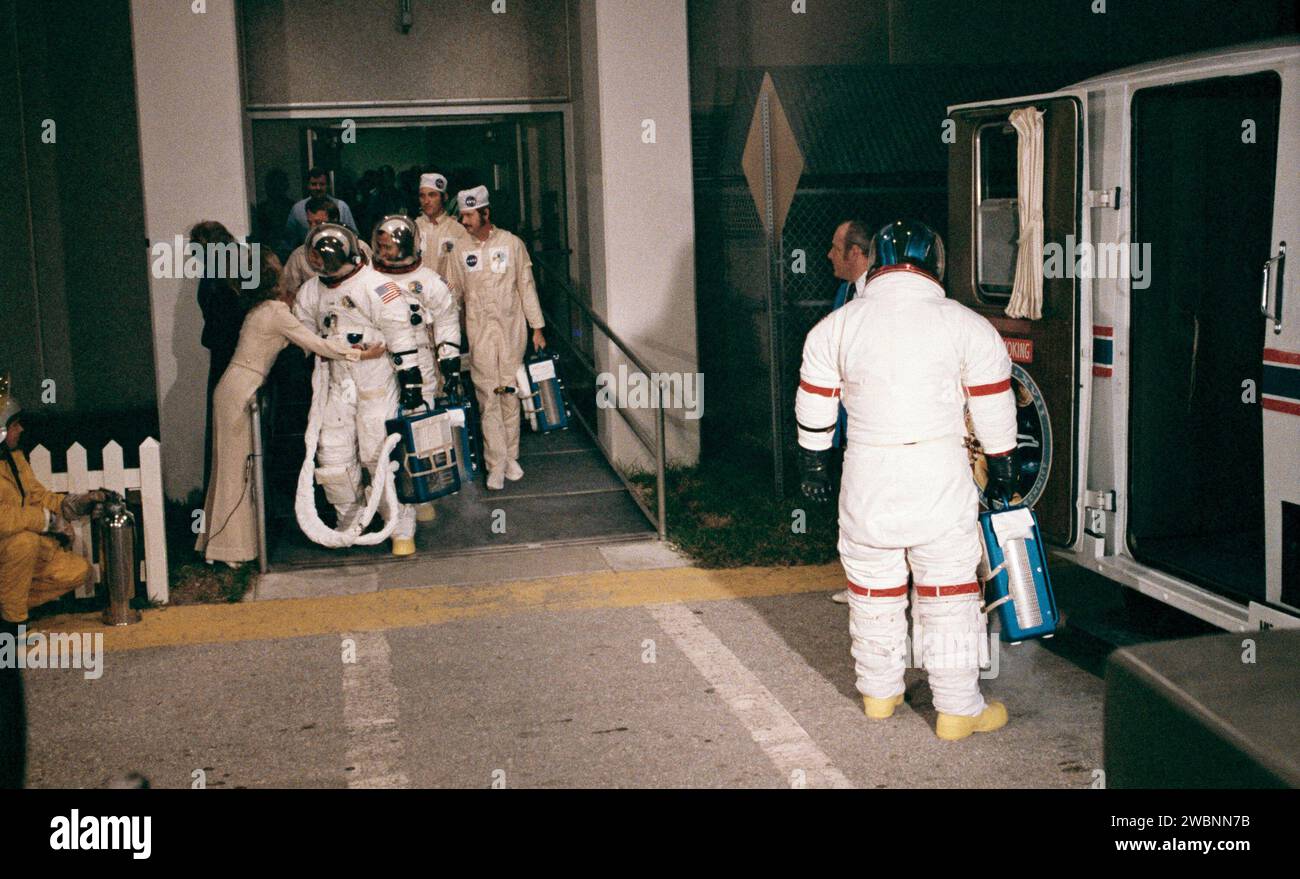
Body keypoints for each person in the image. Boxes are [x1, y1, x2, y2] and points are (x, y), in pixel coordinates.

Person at [794, 219, 1019, 741]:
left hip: (866, 473)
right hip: (937, 475)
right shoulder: (965, 324)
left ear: (876, 259)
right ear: (934, 263)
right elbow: (993, 405)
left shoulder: (838, 326)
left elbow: (814, 407)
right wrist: (1003, 466)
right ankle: (958, 710)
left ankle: (879, 694)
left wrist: (813, 466)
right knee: (949, 594)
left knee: (872, 591)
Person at [196, 251, 385, 566]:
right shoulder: (275, 313)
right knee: (235, 470)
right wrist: (359, 355)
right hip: (241, 390)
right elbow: (318, 344)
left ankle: (221, 545)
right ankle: (232, 550)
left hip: (237, 387)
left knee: (233, 468)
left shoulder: (263, 309)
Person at [293, 223, 426, 556]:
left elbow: (401, 335)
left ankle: (400, 525)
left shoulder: (378, 287)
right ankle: (349, 523)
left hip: (375, 382)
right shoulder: (311, 291)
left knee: (378, 454)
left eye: (330, 258)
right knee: (333, 455)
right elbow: (305, 336)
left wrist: (411, 382)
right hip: (336, 381)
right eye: (319, 259)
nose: (325, 265)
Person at [446, 186, 546, 491]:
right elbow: (453, 296)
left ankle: (511, 456)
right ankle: (495, 464)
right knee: (488, 396)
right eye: (462, 215)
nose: (464, 221)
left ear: (485, 213)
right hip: (479, 333)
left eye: (469, 215)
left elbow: (525, 287)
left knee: (508, 392)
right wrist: (449, 338)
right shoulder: (459, 250)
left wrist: (537, 327)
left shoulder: (512, 244)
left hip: (511, 330)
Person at [370, 214, 463, 523]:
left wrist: (450, 368)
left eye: (390, 248)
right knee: (379, 433)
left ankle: (422, 491)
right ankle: (392, 507)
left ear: (408, 246)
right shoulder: (368, 280)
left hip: (420, 358)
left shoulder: (431, 282)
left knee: (420, 427)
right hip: (378, 362)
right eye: (380, 246)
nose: (384, 253)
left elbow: (448, 323)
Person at [0, 378, 103, 626]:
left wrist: (76, 504)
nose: (20, 430)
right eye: (14, 425)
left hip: (18, 556)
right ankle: (12, 625)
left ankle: (8, 605)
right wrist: (46, 521)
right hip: (13, 548)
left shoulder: (13, 458)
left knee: (76, 571)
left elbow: (38, 496)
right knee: (24, 542)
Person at [824, 219, 877, 605]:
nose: (829, 255)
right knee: (856, 502)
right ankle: (863, 581)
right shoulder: (844, 293)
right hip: (850, 418)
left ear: (855, 253)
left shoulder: (882, 293)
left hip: (877, 420)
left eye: (835, 247)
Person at [192, 220, 249, 493]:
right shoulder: (237, 267)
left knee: (224, 425)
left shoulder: (216, 277)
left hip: (226, 354)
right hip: (238, 353)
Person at [281, 196, 373, 300]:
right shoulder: (299, 256)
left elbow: (374, 282)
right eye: (310, 223)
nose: (312, 228)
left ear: (334, 222)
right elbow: (288, 294)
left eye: (318, 223)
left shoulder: (360, 248)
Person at [414, 173, 470, 292]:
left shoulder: (458, 231)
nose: (426, 201)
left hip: (449, 300)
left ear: (444, 197)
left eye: (432, 195)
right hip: (418, 298)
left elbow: (465, 273)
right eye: (422, 196)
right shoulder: (413, 228)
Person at [283, 168, 358, 247]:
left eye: (322, 184)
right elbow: (289, 240)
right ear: (308, 185)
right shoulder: (297, 209)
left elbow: (353, 236)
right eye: (314, 184)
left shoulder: (341, 207)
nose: (318, 188)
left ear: (328, 185)